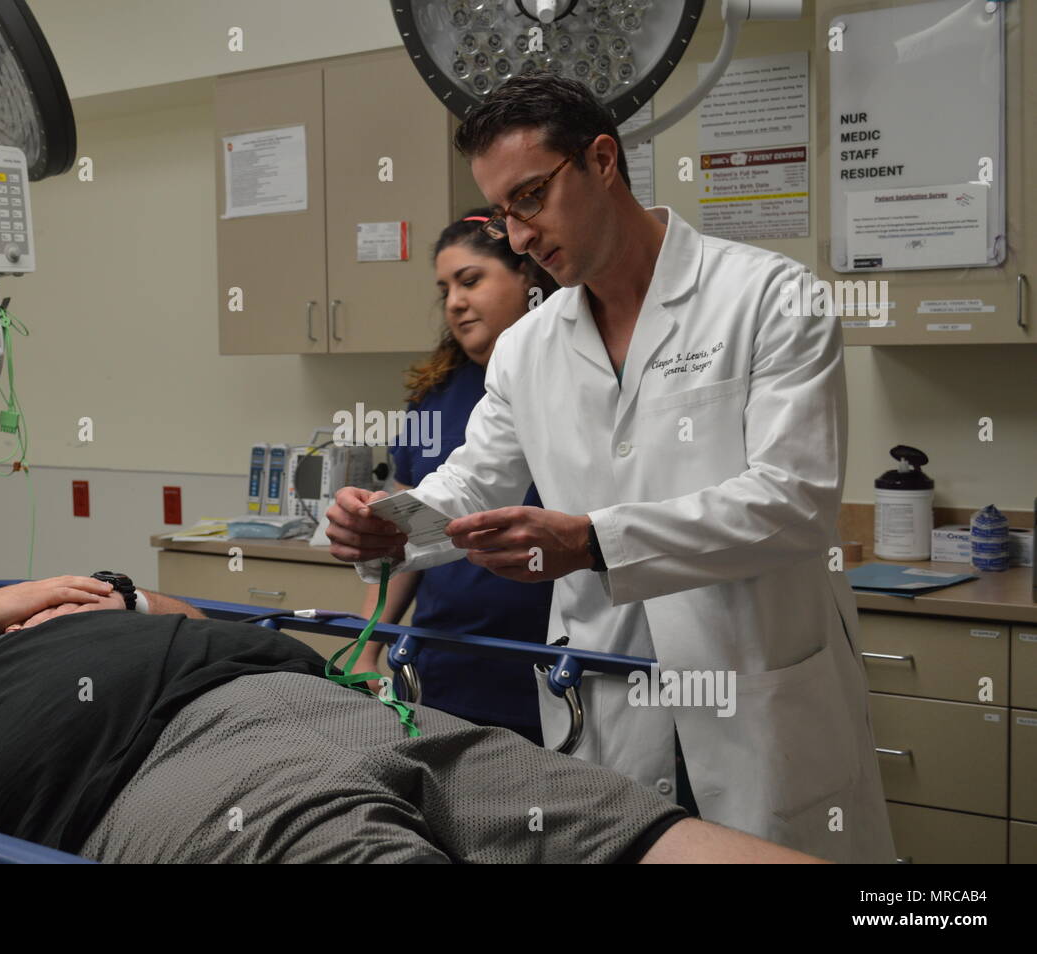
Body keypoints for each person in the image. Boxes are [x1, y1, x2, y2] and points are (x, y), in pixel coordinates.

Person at [323, 71, 895, 863]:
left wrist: (592, 542)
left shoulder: (768, 297)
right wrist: (390, 526)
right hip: (609, 703)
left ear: (600, 160)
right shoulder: (529, 345)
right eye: (502, 213)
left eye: (532, 197)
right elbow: (471, 483)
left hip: (755, 692)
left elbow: (792, 503)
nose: (519, 236)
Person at [0, 581, 822, 864]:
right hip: (155, 780)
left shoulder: (21, 620)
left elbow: (165, 615)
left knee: (621, 828)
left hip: (310, 699)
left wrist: (108, 599)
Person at [350, 210, 558, 743]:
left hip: (547, 663)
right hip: (441, 662)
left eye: (471, 280)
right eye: (445, 289)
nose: (455, 302)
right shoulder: (434, 398)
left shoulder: (573, 379)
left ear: (529, 278)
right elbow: (408, 530)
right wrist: (367, 645)